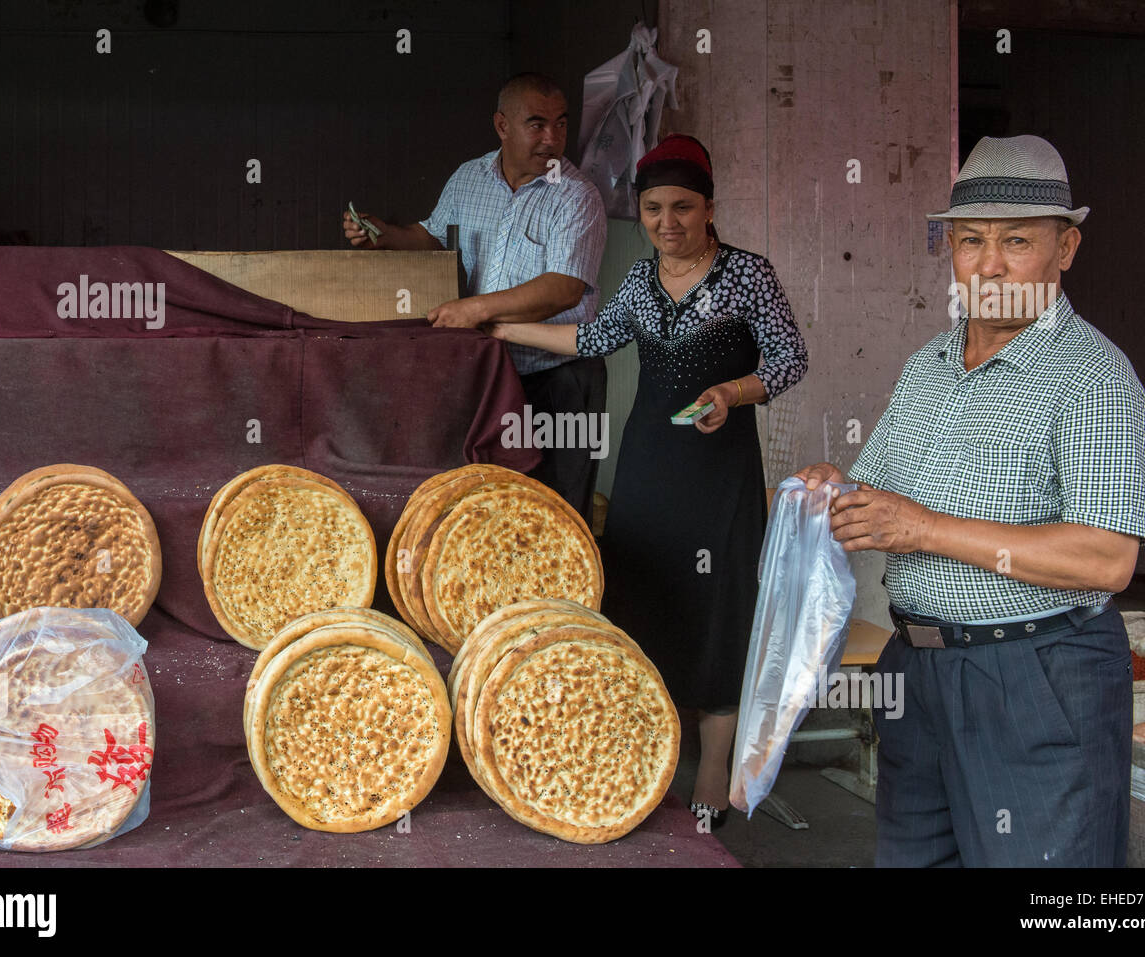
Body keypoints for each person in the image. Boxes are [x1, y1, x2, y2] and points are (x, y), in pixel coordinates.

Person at [796, 134, 1145, 867]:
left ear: (1067, 248)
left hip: (1036, 674)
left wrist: (922, 527)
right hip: (919, 671)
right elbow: (878, 497)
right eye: (970, 240)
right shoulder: (928, 363)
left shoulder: (1093, 378)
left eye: (1016, 240)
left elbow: (1108, 556)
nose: (989, 264)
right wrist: (831, 490)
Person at [490, 134, 808, 826]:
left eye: (683, 207)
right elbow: (590, 339)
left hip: (718, 475)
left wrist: (733, 391)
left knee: (720, 609)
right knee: (643, 602)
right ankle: (645, 750)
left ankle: (715, 767)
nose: (668, 222)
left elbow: (790, 359)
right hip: (646, 471)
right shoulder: (639, 279)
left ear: (710, 207)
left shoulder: (749, 275)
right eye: (655, 208)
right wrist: (499, 327)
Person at [343, 73, 608, 524]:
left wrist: (475, 309)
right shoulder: (470, 178)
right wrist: (384, 236)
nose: (552, 138)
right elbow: (431, 237)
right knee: (495, 507)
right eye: (537, 124)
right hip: (495, 373)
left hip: (562, 377)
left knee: (559, 510)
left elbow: (564, 288)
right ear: (502, 126)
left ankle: (565, 597)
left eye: (561, 124)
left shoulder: (577, 195)